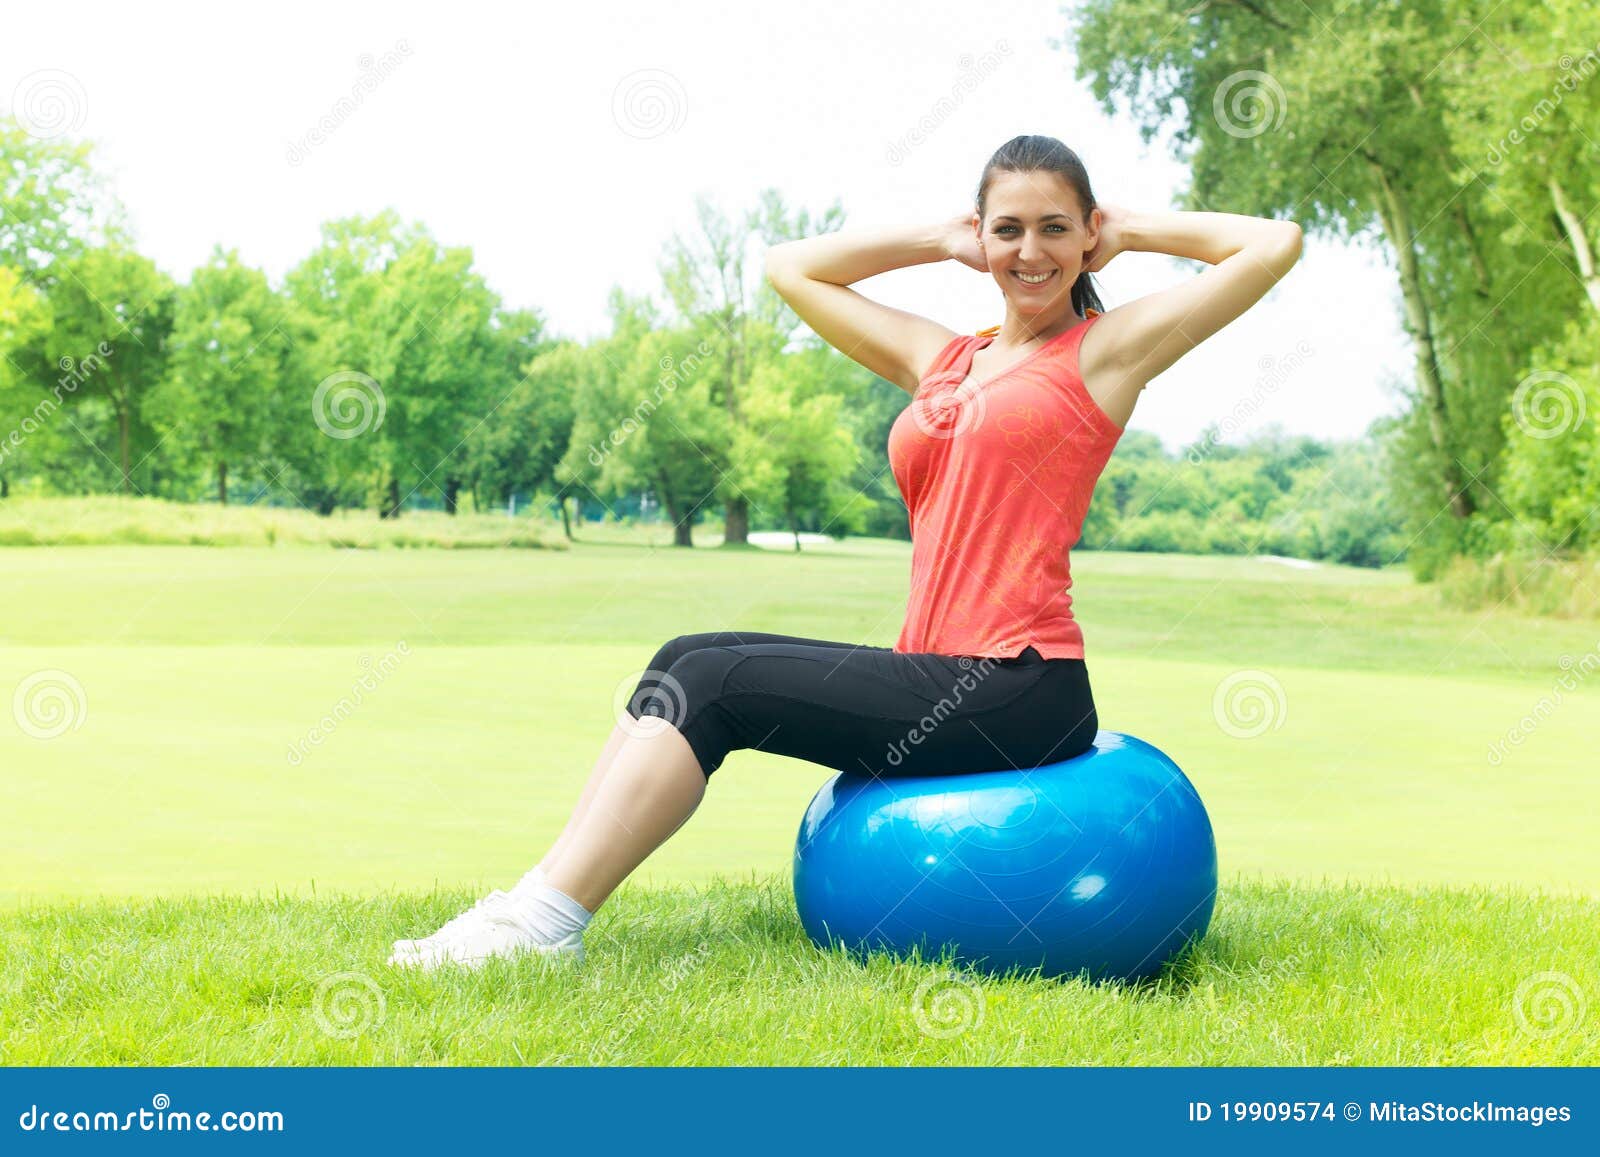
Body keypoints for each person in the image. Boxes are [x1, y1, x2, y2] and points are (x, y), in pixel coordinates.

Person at [387, 134, 1302, 971]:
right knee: (682, 661)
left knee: (717, 685)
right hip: (939, 667)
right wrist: (939, 236)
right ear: (982, 236)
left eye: (1056, 229)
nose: (1030, 252)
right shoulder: (944, 359)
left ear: (1088, 234)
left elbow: (1273, 244)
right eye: (1008, 229)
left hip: (1022, 683)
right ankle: (529, 905)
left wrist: (1130, 229)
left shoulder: (1106, 352)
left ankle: (547, 926)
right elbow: (792, 269)